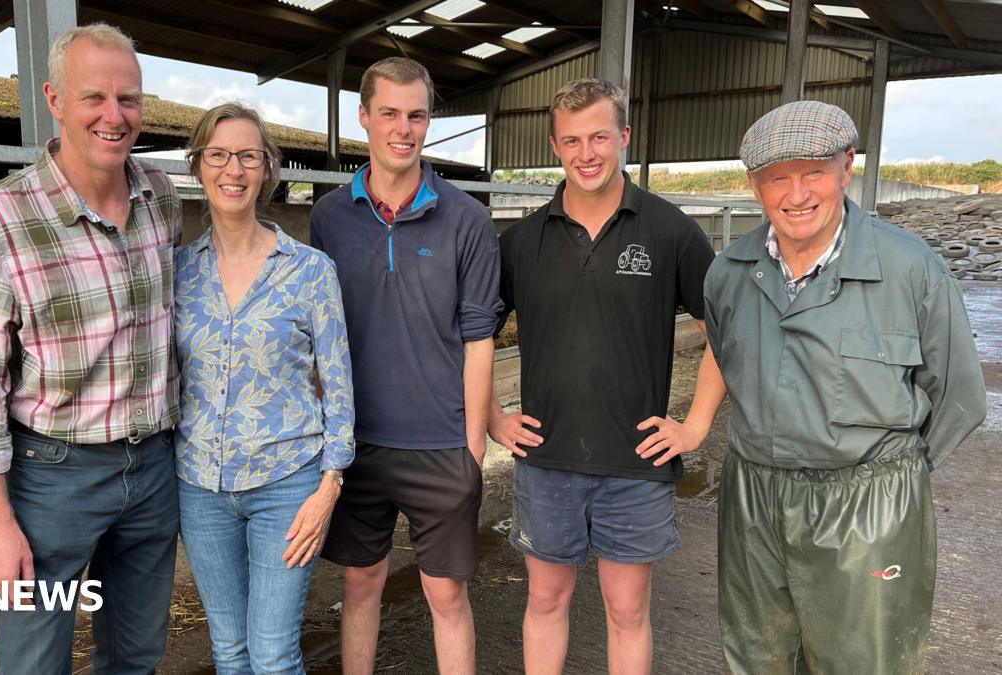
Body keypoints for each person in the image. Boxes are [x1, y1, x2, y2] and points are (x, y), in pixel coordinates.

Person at [704, 100, 987, 674]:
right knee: (758, 655)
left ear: (846, 168)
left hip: (869, 505)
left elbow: (959, 396)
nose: (797, 193)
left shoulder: (911, 269)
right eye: (776, 178)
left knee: (864, 662)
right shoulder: (728, 272)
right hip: (754, 500)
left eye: (813, 172)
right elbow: (727, 356)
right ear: (755, 186)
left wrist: (891, 478)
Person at [0, 23, 182, 673]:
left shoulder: (161, 198)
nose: (115, 116)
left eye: (128, 99)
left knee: (135, 656)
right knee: (34, 661)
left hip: (153, 465)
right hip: (51, 476)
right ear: (54, 99)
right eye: (94, 98)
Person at [487, 78, 724, 675]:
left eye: (599, 136)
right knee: (545, 600)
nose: (586, 153)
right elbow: (472, 336)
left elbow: (725, 328)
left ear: (623, 135)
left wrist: (694, 426)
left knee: (628, 610)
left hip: (636, 460)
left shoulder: (670, 232)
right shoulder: (520, 242)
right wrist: (493, 416)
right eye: (572, 140)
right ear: (554, 145)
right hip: (547, 458)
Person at [310, 57, 502, 675]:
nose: (403, 128)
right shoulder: (330, 217)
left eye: (416, 115)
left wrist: (472, 449)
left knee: (446, 594)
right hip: (356, 443)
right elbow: (316, 332)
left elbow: (479, 339)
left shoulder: (467, 219)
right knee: (362, 582)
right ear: (363, 118)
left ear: (428, 121)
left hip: (440, 442)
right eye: (388, 113)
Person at [173, 102, 354, 674]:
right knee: (229, 650)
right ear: (199, 166)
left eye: (249, 156)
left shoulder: (309, 270)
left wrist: (329, 486)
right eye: (219, 155)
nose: (234, 169)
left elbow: (340, 382)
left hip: (288, 483)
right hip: (200, 485)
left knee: (273, 654)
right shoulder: (177, 272)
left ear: (268, 169)